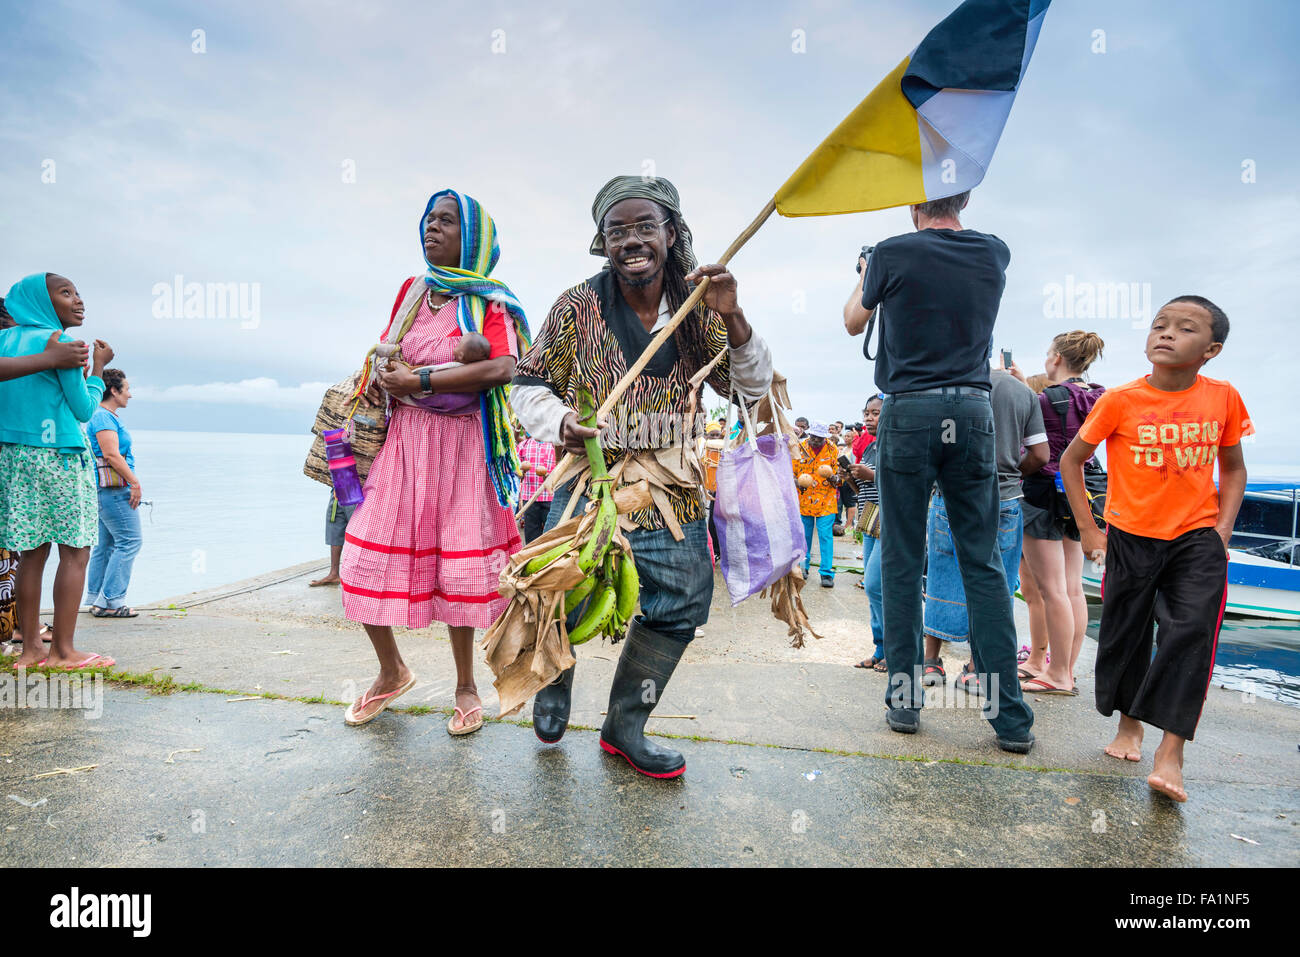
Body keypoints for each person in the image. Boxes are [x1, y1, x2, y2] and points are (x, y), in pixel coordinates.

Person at [511, 174, 772, 778]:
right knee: (559, 590)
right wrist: (561, 424)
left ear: (670, 234)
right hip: (590, 480)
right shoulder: (577, 304)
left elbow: (749, 390)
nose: (631, 240)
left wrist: (733, 318)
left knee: (681, 604)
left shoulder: (699, 304)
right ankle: (554, 674)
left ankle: (625, 726)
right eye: (617, 230)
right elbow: (527, 383)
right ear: (603, 242)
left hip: (670, 486)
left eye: (644, 227)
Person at [843, 190, 1034, 752]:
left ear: (910, 205)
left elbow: (855, 321)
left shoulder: (890, 253)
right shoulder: (994, 252)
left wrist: (864, 273)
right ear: (968, 196)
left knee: (903, 557)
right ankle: (1010, 718)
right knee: (983, 564)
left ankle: (905, 701)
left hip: (910, 411)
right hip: (972, 411)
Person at [339, 189, 529, 736]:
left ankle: (466, 686)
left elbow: (502, 369)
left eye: (445, 221)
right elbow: (386, 351)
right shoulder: (412, 291)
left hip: (464, 448)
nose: (431, 228)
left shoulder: (490, 301)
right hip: (405, 443)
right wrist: (389, 375)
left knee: (461, 570)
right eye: (427, 219)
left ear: (471, 236)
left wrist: (421, 379)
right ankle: (391, 670)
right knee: (361, 560)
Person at [1060, 295, 1249, 803]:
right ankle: (1129, 726)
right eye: (1159, 324)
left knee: (1190, 633)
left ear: (1211, 350)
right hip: (1130, 535)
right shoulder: (1119, 400)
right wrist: (1090, 529)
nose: (1165, 333)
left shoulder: (1223, 397)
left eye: (1183, 329)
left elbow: (1232, 468)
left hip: (1197, 536)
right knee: (1126, 632)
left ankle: (1172, 752)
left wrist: (1222, 531)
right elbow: (1071, 462)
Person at [0, 273, 116, 670]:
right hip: (60, 456)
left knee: (30, 555)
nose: (78, 300)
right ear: (40, 302)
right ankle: (63, 651)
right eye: (66, 293)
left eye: (78, 292)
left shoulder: (5, 341)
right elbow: (83, 409)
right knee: (76, 552)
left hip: (15, 457)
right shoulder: (64, 343)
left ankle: (30, 650)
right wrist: (99, 371)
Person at [920, 357, 1049, 693]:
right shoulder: (1023, 393)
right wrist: (1010, 472)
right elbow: (1041, 454)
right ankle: (978, 669)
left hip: (951, 495)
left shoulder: (948, 386)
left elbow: (932, 447)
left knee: (942, 574)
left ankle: (931, 662)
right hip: (1005, 498)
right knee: (998, 582)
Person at [1013, 331, 1105, 693]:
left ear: (1055, 359)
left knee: (1049, 589)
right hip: (1082, 495)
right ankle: (1061, 665)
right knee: (1072, 588)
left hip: (1042, 493)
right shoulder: (1098, 395)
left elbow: (1034, 440)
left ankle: (1058, 674)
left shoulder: (1043, 399)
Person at [84, 368, 143, 617]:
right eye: (126, 389)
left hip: (104, 490)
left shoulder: (105, 416)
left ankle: (98, 599)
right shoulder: (103, 418)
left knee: (106, 544)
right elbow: (110, 454)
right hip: (113, 489)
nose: (130, 395)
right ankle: (113, 601)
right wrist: (135, 483)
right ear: (113, 390)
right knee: (130, 541)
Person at [852, 395, 886, 671]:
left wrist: (871, 475)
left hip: (890, 520)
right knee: (872, 588)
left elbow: (905, 480)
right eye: (867, 412)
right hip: (870, 516)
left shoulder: (898, 443)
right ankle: (880, 648)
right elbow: (864, 489)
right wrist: (853, 478)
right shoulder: (871, 448)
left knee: (877, 585)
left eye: (875, 413)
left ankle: (894, 649)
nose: (868, 417)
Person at [792, 421, 841, 587]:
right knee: (804, 536)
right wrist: (797, 482)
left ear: (824, 438)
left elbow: (840, 476)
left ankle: (826, 574)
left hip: (826, 501)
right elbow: (790, 473)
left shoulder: (833, 449)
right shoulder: (800, 447)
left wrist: (834, 479)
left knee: (825, 537)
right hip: (804, 499)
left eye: (819, 438)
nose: (814, 441)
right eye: (812, 437)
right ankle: (804, 567)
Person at [309, 492, 357, 587]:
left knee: (357, 531)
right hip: (337, 491)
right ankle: (334, 574)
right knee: (334, 526)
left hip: (356, 491)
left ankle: (358, 576)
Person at [516, 430, 556, 543]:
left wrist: (548, 477)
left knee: (551, 533)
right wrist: (521, 472)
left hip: (550, 497)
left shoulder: (553, 445)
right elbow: (516, 470)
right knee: (531, 534)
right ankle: (531, 557)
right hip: (529, 498)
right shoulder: (523, 445)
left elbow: (560, 468)